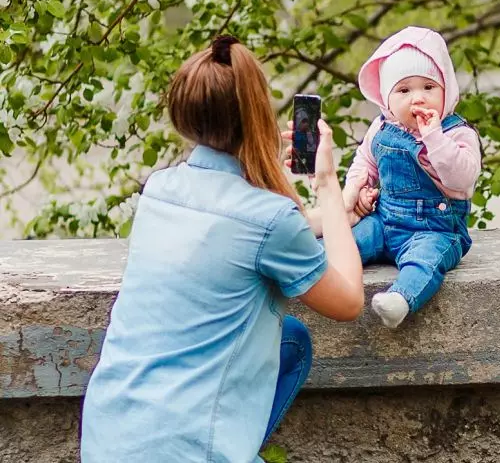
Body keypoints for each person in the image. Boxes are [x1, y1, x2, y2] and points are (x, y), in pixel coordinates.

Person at [80, 35, 365, 463]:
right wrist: (326, 182)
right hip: (181, 454)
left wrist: (339, 214)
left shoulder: (160, 189)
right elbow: (348, 301)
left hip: (107, 440)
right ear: (257, 115)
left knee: (291, 339)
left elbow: (241, 232)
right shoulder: (269, 219)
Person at [345, 26, 482, 328]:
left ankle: (400, 299)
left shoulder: (456, 133)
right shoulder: (381, 128)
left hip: (436, 229)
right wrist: (357, 189)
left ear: (446, 91)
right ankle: (312, 266)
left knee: (425, 260)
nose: (417, 98)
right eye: (404, 90)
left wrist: (434, 137)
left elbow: (463, 178)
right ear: (387, 98)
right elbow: (363, 162)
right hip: (385, 220)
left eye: (428, 87)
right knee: (349, 242)